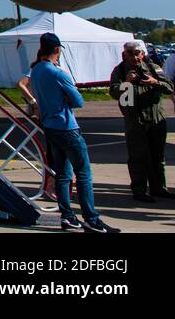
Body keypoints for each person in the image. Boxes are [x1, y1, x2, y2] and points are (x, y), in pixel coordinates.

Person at [19, 32, 120, 233]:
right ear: (57, 50)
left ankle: (67, 216)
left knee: (63, 174)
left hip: (49, 126)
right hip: (66, 126)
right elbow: (78, 101)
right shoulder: (58, 73)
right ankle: (91, 218)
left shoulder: (36, 70)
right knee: (83, 173)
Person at [109, 40, 174, 202]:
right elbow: (115, 92)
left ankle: (159, 188)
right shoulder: (120, 71)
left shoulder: (153, 68)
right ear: (124, 55)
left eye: (137, 53)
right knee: (138, 157)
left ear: (142, 54)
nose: (134, 56)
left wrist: (155, 82)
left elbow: (169, 87)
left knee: (157, 156)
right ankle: (139, 190)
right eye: (130, 53)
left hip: (156, 118)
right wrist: (127, 83)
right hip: (135, 120)